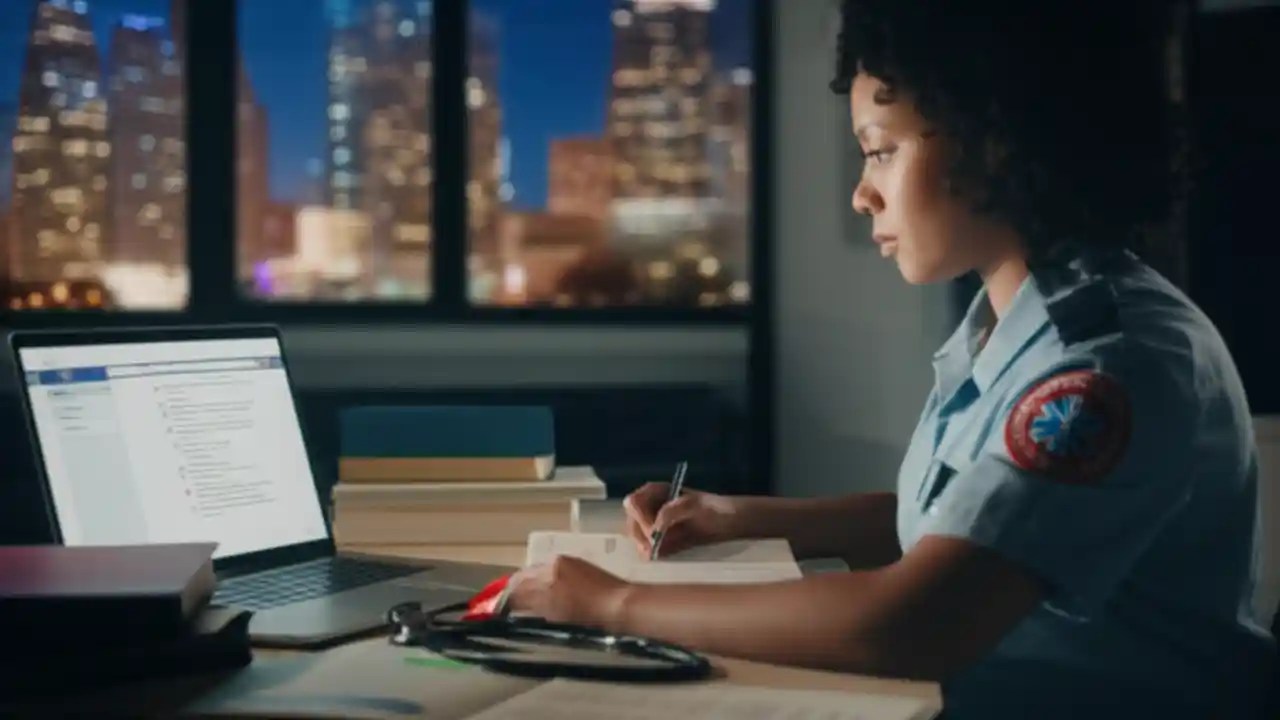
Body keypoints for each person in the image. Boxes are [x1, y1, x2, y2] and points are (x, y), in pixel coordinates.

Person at [504, 1, 1277, 716]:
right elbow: (963, 530)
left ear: (996, 140)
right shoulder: (1009, 325)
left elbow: (916, 620)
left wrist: (610, 605)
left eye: (879, 153)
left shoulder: (1108, 367)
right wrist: (740, 516)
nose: (861, 195)